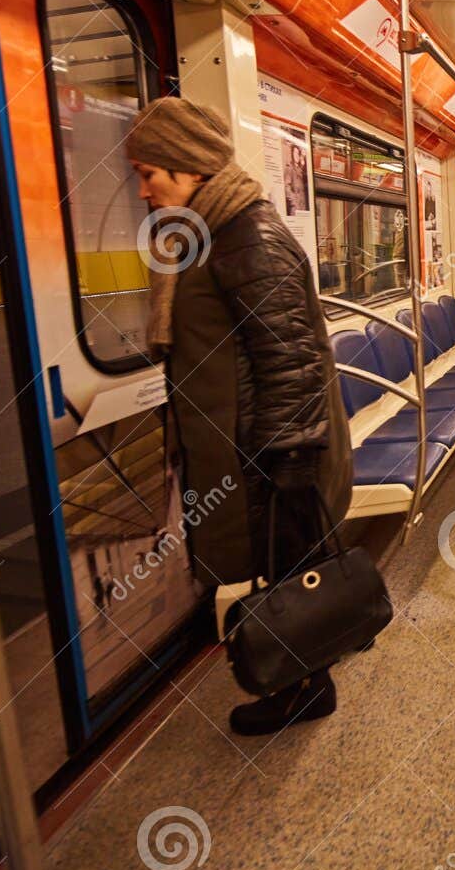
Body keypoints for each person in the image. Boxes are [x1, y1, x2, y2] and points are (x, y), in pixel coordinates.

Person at [124, 97, 352, 737]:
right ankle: (301, 678)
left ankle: (304, 688)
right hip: (254, 445)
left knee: (287, 571)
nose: (143, 191)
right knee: (281, 568)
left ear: (189, 167)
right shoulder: (214, 234)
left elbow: (290, 355)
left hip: (272, 450)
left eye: (150, 174)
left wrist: (293, 457)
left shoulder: (246, 237)